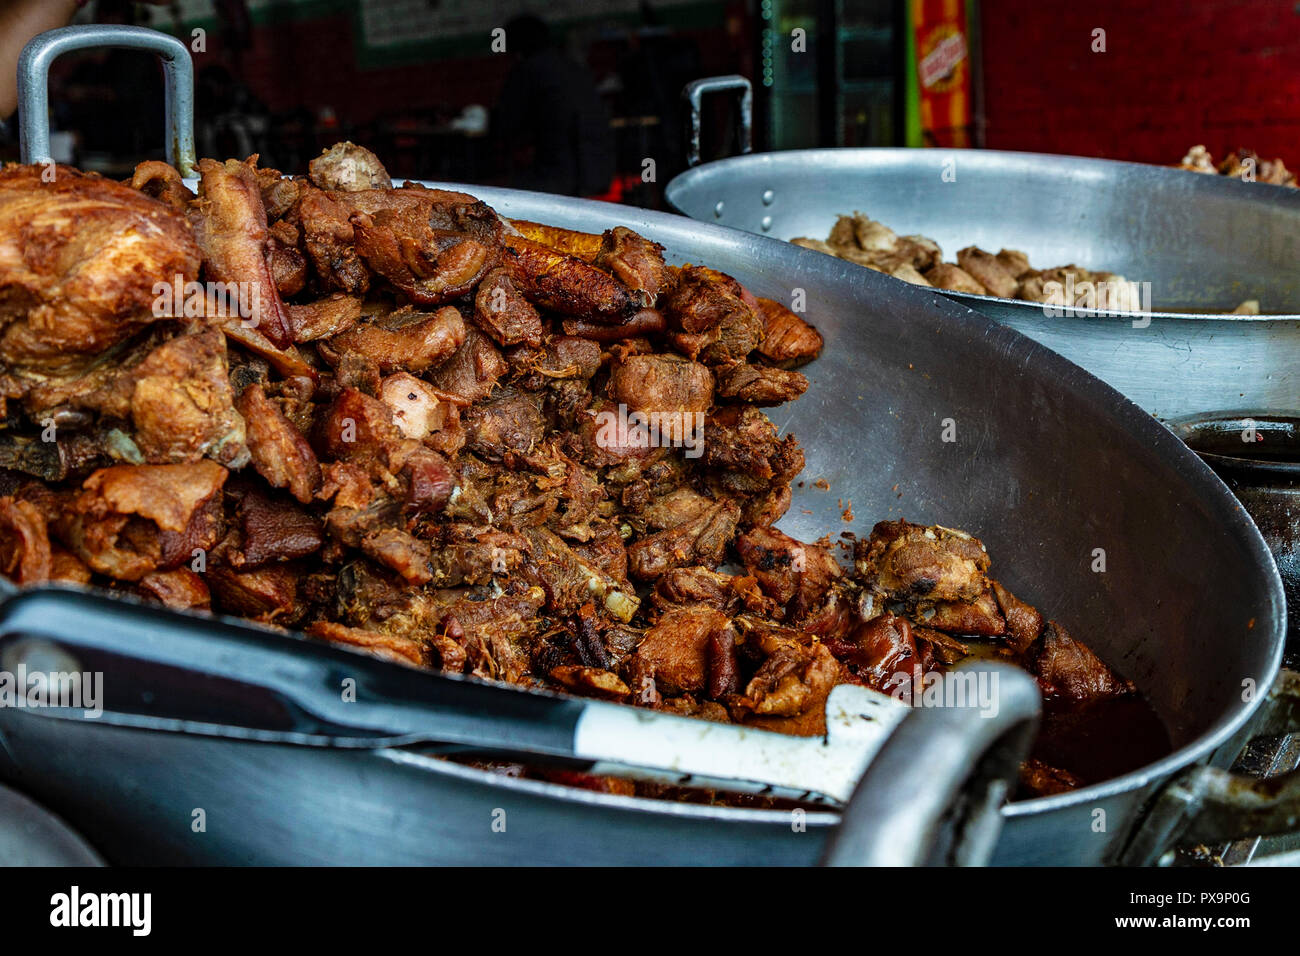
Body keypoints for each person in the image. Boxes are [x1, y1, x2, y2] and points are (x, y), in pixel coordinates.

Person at [495, 14, 614, 197]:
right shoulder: (574, 67)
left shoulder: (527, 71)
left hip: (558, 178)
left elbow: (505, 125)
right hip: (598, 170)